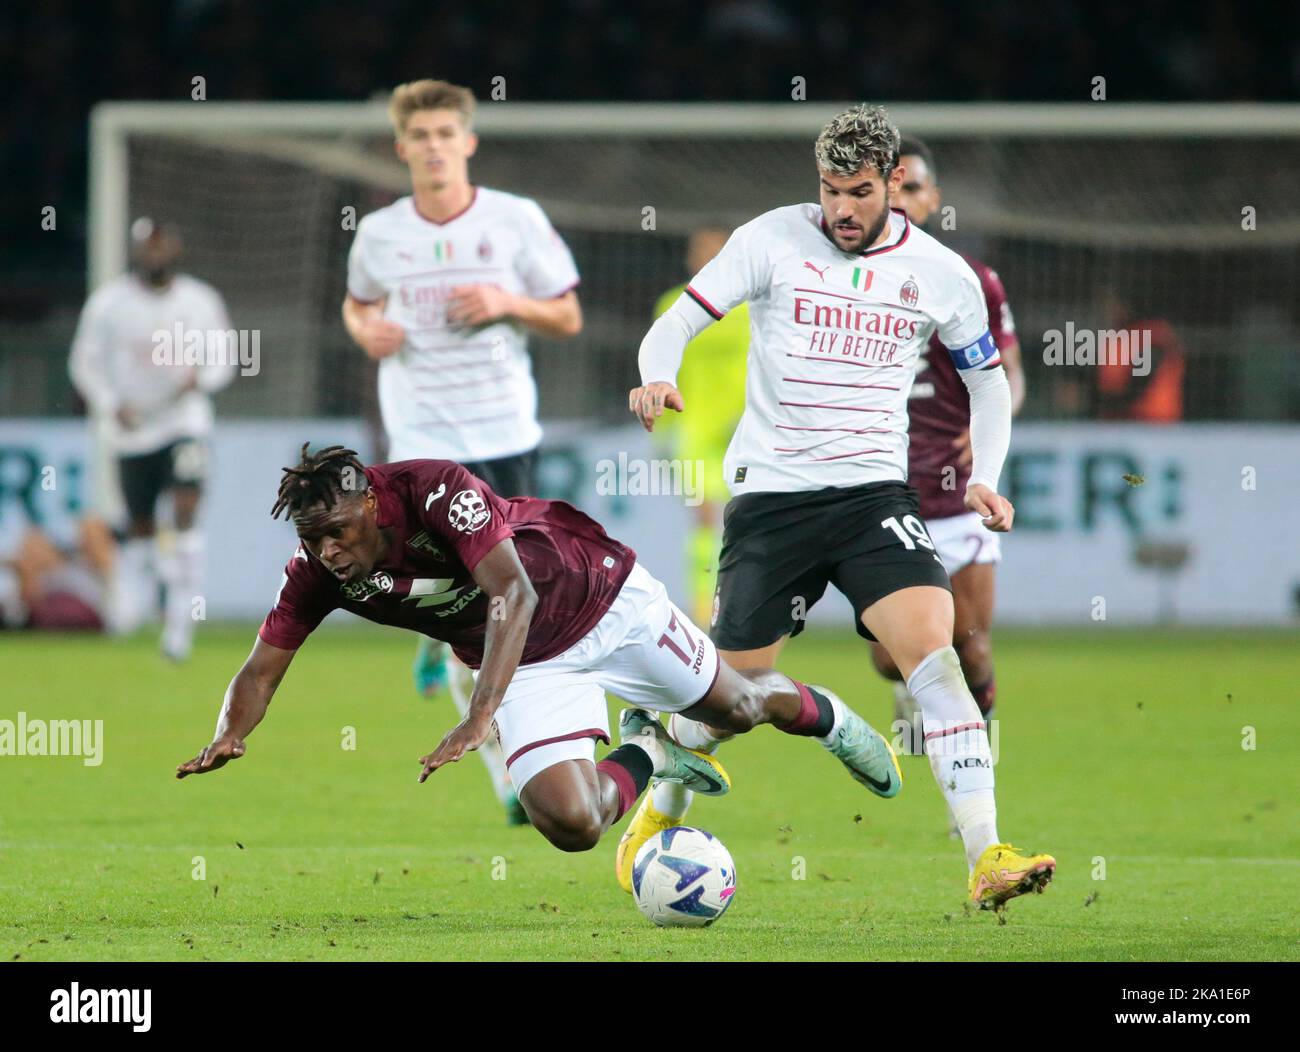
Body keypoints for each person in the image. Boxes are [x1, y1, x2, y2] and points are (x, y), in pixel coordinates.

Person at [625, 104, 1055, 911]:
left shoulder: (939, 272)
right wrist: (658, 372)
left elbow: (988, 381)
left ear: (894, 182)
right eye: (829, 190)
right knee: (731, 701)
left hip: (872, 500)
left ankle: (986, 852)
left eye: (858, 192)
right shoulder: (771, 238)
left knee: (938, 655)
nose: (842, 211)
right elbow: (677, 319)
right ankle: (660, 803)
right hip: (773, 502)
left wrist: (985, 474)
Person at [175, 445, 901, 859]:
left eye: (336, 530)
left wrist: (476, 716)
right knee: (571, 825)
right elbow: (261, 667)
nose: (327, 550)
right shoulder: (316, 575)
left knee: (739, 708)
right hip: (526, 661)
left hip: (601, 598)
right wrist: (228, 733)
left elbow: (512, 596)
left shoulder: (432, 490)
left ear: (368, 504)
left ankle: (824, 715)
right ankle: (649, 751)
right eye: (313, 539)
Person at [342, 79, 584, 825]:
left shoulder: (515, 221)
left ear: (468, 142)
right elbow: (358, 301)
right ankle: (507, 776)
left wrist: (509, 303)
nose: (436, 147)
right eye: (422, 136)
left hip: (504, 439)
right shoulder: (380, 234)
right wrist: (363, 330)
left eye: (448, 133)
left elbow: (569, 314)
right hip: (420, 449)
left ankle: (446, 654)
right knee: (473, 619)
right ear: (403, 148)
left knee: (516, 606)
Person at [870, 136, 1026, 753]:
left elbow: (1010, 377)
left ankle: (973, 754)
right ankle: (908, 687)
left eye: (914, 187)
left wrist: (987, 423)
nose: (902, 199)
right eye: (892, 187)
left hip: (958, 495)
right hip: (881, 494)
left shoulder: (972, 281)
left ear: (932, 199)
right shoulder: (841, 280)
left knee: (974, 644)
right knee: (890, 658)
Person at [68, 219, 235, 660]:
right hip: (132, 432)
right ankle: (146, 596)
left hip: (185, 424)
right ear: (136, 250)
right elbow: (83, 363)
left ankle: (180, 626)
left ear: (176, 248)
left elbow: (226, 357)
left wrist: (202, 378)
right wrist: (109, 403)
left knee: (185, 510)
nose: (156, 253)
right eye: (149, 245)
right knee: (140, 528)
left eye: (163, 244)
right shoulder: (109, 304)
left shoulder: (200, 301)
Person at [651, 227, 749, 627]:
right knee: (707, 519)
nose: (707, 257)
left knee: (744, 523)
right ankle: (705, 613)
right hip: (693, 431)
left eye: (716, 249)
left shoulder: (751, 307)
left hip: (745, 433)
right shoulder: (672, 305)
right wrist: (663, 431)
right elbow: (663, 370)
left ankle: (741, 607)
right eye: (700, 249)